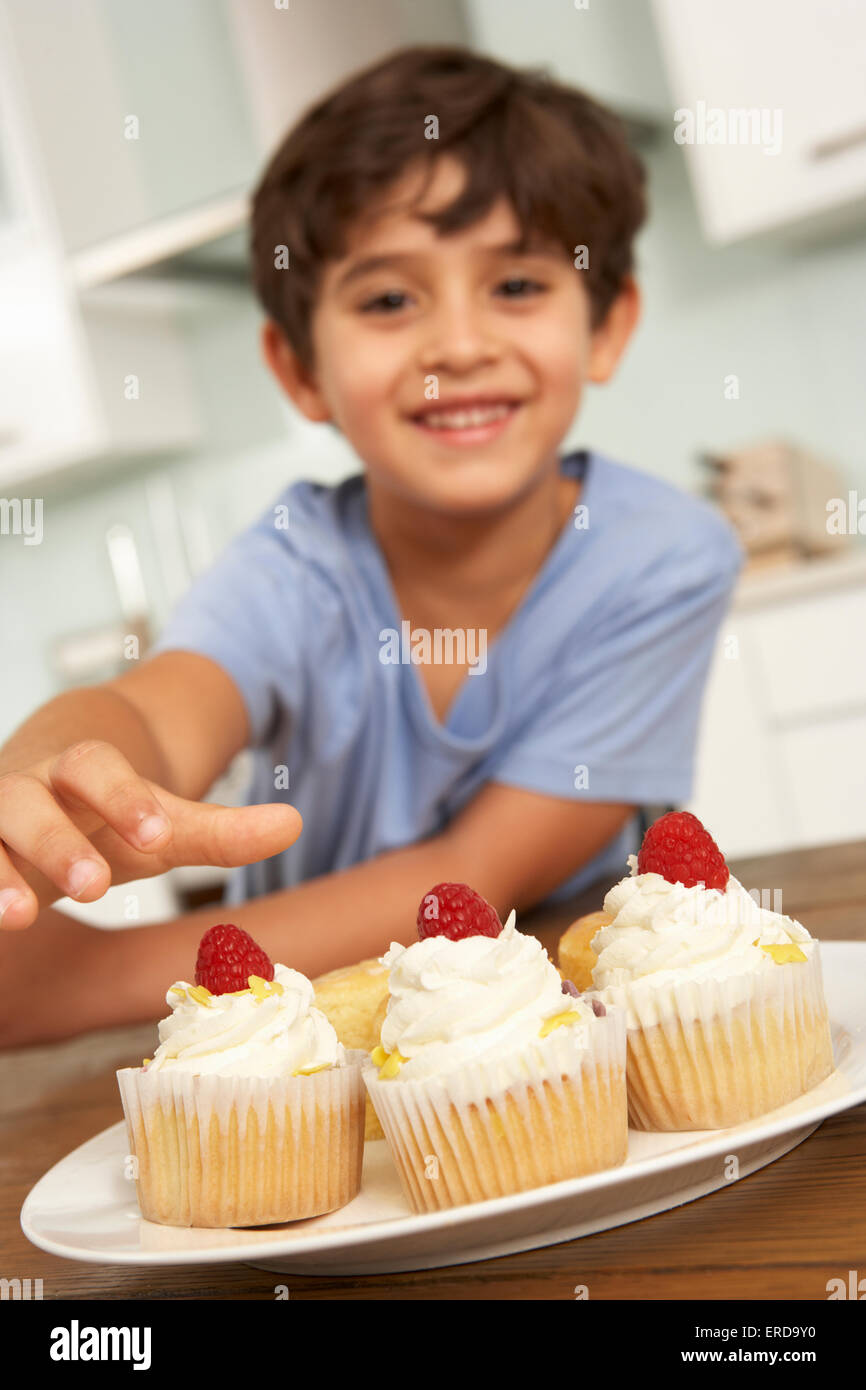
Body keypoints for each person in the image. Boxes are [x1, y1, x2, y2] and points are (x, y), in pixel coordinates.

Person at [0, 46, 741, 1046]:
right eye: (389, 300)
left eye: (517, 284)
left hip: (565, 1042)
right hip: (311, 1054)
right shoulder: (295, 561)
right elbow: (153, 715)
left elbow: (478, 877)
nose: (458, 345)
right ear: (299, 368)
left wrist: (80, 980)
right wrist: (45, 771)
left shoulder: (662, 554)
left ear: (604, 325)